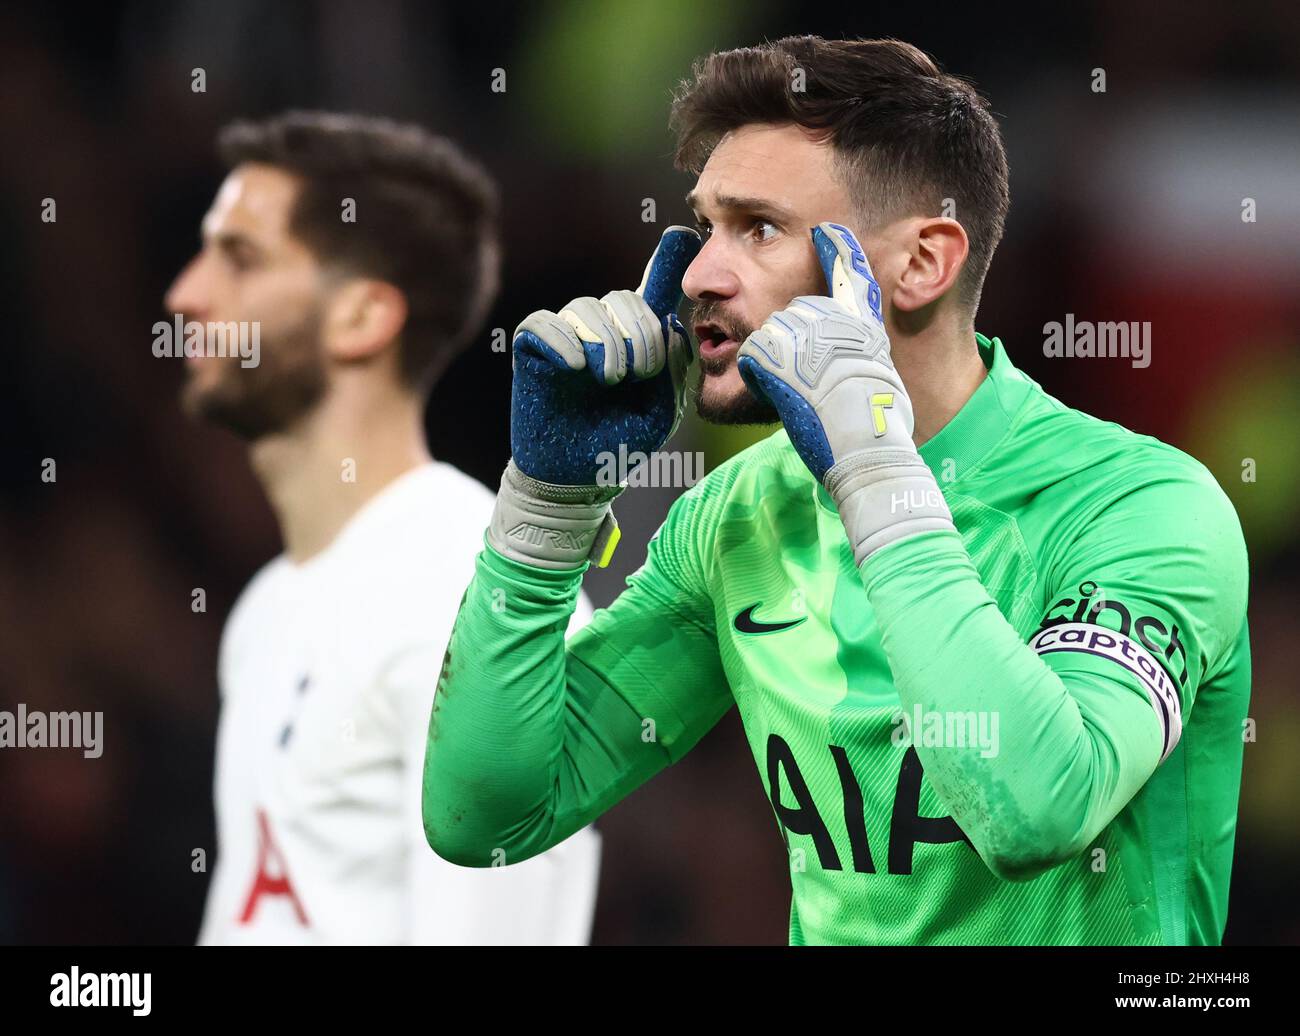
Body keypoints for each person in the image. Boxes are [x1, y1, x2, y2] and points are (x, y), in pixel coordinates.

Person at [422, 38, 1250, 945]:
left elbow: (1037, 815)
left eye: (760, 228)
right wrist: (545, 509)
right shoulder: (737, 514)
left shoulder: (1141, 506)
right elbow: (485, 820)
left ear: (922, 264)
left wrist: (876, 472)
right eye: (706, 227)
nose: (700, 275)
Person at [166, 111, 600, 945]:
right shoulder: (266, 605)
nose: (186, 294)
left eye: (240, 257)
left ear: (362, 318)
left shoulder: (477, 605)